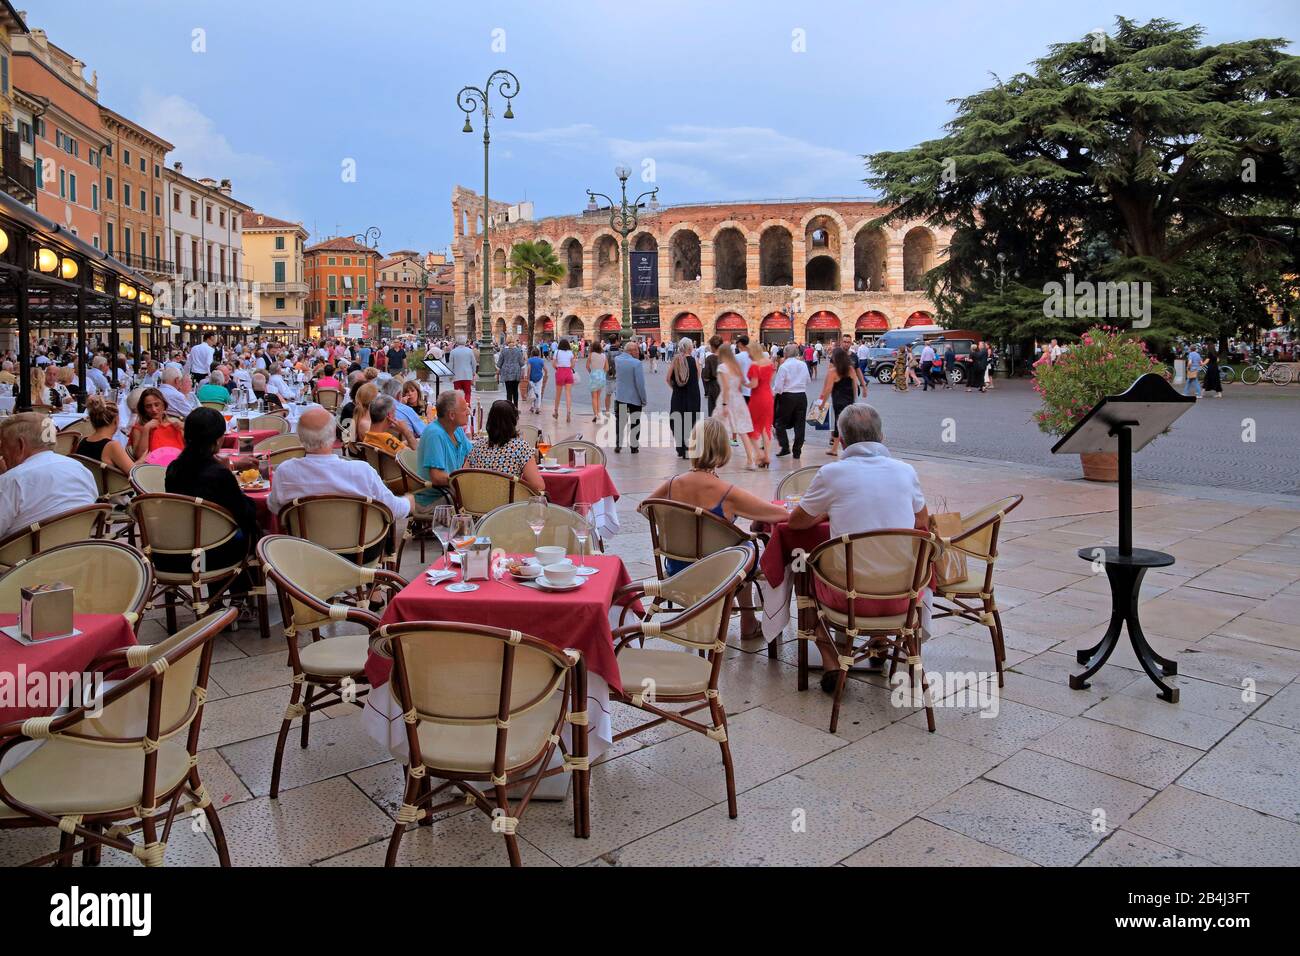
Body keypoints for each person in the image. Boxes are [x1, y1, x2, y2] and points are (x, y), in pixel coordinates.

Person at [788, 404, 931, 689]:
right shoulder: (905, 471)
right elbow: (922, 520)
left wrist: (828, 512)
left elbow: (797, 523)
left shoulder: (832, 473)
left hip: (848, 598)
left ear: (841, 438)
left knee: (803, 575)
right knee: (886, 562)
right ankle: (879, 643)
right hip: (901, 597)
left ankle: (831, 661)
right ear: (882, 436)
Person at [648, 419, 790, 575]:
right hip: (720, 574)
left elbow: (645, 508)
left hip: (678, 570)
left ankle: (733, 599)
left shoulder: (672, 484)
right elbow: (780, 514)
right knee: (745, 551)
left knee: (740, 550)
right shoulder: (728, 493)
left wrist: (676, 525)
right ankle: (743, 600)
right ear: (723, 449)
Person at [163, 408, 260, 623]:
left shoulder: (174, 469)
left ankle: (219, 600)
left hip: (177, 550)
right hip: (214, 554)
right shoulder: (217, 475)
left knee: (216, 529)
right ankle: (240, 597)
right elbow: (243, 512)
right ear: (218, 440)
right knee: (247, 530)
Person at [268, 407, 412, 535]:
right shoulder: (362, 471)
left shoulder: (285, 471)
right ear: (333, 436)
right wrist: (409, 501)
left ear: (300, 437)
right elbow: (394, 509)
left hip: (305, 553)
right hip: (359, 556)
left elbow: (274, 507)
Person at [0, 412, 99, 539]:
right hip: (77, 553)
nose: (2, 453)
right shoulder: (81, 469)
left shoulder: (13, 480)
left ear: (20, 444)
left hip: (25, 557)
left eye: (4, 446)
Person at [465, 400, 545, 495]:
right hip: (508, 508)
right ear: (514, 421)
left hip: (476, 506)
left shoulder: (477, 447)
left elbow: (464, 477)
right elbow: (539, 486)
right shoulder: (521, 448)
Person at [414, 389, 473, 513]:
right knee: (481, 500)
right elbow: (437, 477)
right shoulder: (435, 434)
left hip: (451, 492)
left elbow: (472, 454)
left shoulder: (457, 430)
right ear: (451, 415)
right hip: (435, 499)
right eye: (464, 409)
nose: (468, 412)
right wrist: (466, 479)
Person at [713, 344, 757, 469]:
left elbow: (726, 387)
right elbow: (744, 382)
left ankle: (716, 457)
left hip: (726, 399)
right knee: (742, 430)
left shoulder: (722, 367)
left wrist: (725, 404)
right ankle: (750, 461)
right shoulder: (736, 367)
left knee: (718, 428)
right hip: (738, 399)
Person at [76, 396, 136, 475]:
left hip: (89, 485)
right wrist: (144, 457)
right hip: (111, 487)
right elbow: (135, 475)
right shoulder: (112, 446)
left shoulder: (82, 441)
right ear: (116, 420)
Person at [817, 347, 859, 456]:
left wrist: (822, 404)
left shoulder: (833, 372)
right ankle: (850, 447)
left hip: (838, 400)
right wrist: (854, 399)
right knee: (848, 423)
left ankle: (835, 449)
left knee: (837, 424)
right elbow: (855, 385)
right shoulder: (850, 369)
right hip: (849, 400)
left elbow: (828, 389)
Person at [772, 342, 810, 459]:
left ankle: (785, 446)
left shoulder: (784, 367)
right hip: (801, 396)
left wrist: (773, 395)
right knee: (800, 424)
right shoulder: (803, 365)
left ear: (786, 354)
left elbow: (778, 386)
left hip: (787, 396)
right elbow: (808, 380)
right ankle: (797, 450)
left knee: (780, 422)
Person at [129, 386, 186, 462]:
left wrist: (186, 428)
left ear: (163, 405)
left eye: (157, 405)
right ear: (143, 409)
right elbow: (140, 456)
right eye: (148, 406)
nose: (154, 409)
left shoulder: (175, 423)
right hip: (155, 470)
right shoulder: (139, 428)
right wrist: (146, 429)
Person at [667, 337, 702, 459]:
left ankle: (680, 448)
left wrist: (676, 388)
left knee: (676, 421)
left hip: (678, 395)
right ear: (690, 347)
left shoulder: (676, 360)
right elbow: (697, 378)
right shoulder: (695, 361)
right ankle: (689, 448)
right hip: (692, 395)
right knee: (691, 421)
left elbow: (668, 378)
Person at [613, 340, 647, 454]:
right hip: (634, 398)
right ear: (632, 351)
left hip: (620, 396)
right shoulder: (636, 363)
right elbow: (640, 384)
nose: (638, 352)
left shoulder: (617, 360)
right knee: (635, 422)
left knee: (620, 421)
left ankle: (618, 444)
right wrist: (643, 399)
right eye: (637, 350)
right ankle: (634, 446)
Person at [745, 341, 775, 468]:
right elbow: (770, 379)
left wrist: (743, 383)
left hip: (757, 398)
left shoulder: (754, 365)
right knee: (766, 428)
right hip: (768, 396)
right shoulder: (769, 363)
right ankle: (767, 456)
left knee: (750, 427)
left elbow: (754, 384)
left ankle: (758, 453)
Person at [551, 337, 576, 424]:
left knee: (558, 394)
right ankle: (568, 412)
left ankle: (556, 411)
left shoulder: (557, 352)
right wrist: (569, 367)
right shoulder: (570, 352)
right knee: (568, 394)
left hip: (560, 372)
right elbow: (573, 364)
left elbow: (553, 364)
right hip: (568, 372)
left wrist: (557, 368)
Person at [497, 336, 524, 408]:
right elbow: (521, 363)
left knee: (508, 391)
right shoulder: (518, 350)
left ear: (507, 341)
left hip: (506, 373)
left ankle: (509, 408)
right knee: (515, 391)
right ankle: (516, 407)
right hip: (516, 372)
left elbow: (499, 363)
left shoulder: (503, 351)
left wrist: (498, 369)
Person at [449, 337, 477, 406]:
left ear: (457, 342)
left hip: (456, 375)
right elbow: (474, 363)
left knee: (457, 393)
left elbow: (450, 364)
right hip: (467, 375)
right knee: (467, 392)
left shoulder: (453, 351)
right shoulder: (469, 351)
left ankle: (459, 406)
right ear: (465, 342)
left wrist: (450, 375)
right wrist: (473, 372)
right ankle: (467, 405)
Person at [586, 339, 608, 423]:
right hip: (601, 376)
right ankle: (599, 413)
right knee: (598, 397)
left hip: (593, 376)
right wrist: (602, 373)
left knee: (594, 397)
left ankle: (595, 414)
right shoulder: (603, 355)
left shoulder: (591, 355)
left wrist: (591, 372)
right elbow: (606, 368)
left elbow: (587, 366)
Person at [700, 335, 722, 417]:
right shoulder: (726, 357)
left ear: (712, 346)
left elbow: (705, 377)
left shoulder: (710, 358)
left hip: (713, 387)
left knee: (713, 412)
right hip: (724, 387)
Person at [526, 346, 547, 414]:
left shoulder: (530, 360)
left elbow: (529, 369)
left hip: (531, 378)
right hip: (539, 378)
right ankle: (538, 408)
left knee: (532, 392)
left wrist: (528, 378)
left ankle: (532, 407)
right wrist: (545, 375)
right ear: (538, 353)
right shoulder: (541, 360)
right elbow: (545, 369)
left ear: (532, 353)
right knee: (538, 392)